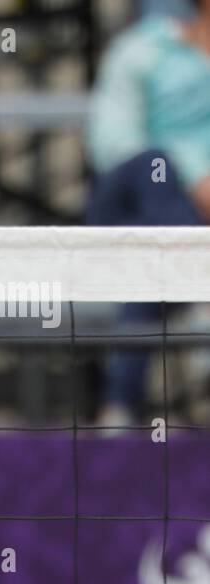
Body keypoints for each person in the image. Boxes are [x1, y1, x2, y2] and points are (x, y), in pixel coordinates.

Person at [86, 1, 210, 425]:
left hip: (159, 235)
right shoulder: (141, 50)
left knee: (148, 256)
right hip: (128, 199)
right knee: (152, 165)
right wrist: (194, 182)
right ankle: (196, 289)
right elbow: (112, 147)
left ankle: (118, 409)